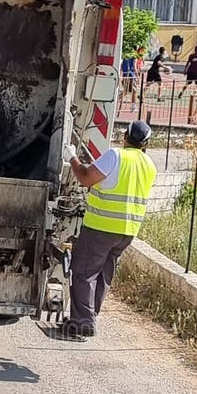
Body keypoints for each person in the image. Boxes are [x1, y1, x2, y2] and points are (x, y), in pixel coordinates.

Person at [59, 120, 157, 339]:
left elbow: (85, 178)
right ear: (146, 144)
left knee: (84, 272)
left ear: (125, 138)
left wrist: (72, 157)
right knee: (103, 275)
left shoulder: (116, 156)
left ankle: (82, 322)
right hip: (128, 231)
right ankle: (89, 317)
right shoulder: (150, 165)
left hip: (101, 227)